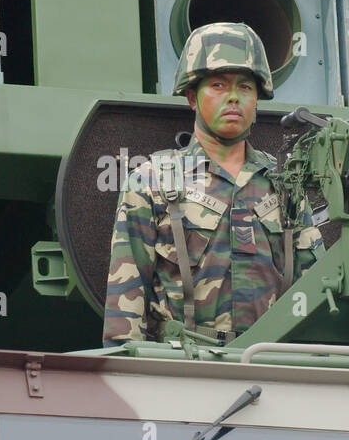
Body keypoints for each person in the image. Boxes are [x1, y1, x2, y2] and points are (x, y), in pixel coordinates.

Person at [103, 22, 323, 346]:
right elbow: (125, 306)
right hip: (184, 367)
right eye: (218, 85)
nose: (233, 97)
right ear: (193, 97)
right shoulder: (152, 182)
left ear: (257, 99)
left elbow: (314, 295)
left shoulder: (286, 186)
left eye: (245, 87)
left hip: (271, 363)